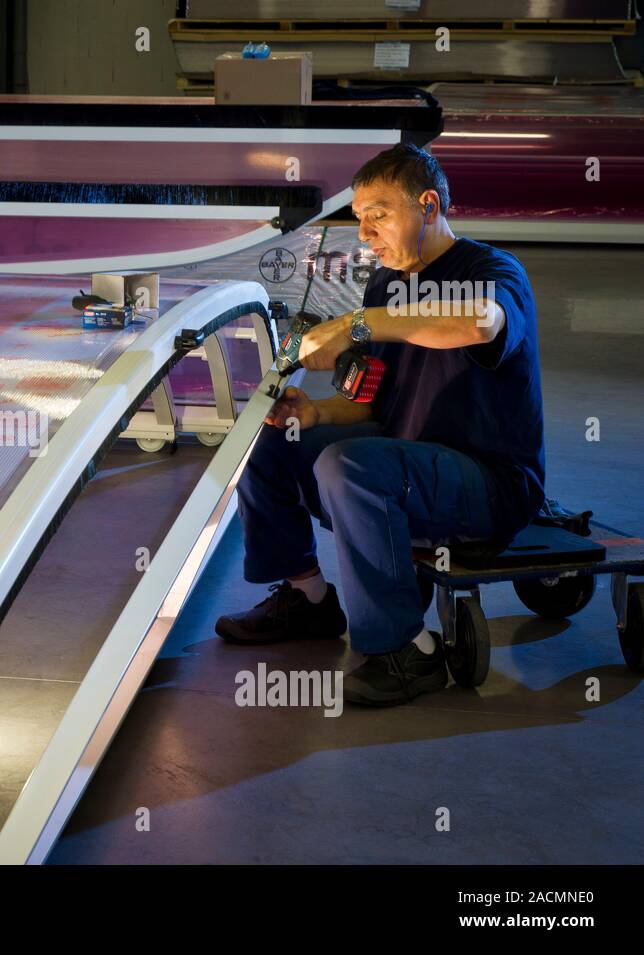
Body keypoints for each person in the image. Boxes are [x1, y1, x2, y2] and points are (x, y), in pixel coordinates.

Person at [215, 143, 545, 707]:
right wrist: (316, 414)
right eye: (359, 218)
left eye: (379, 214)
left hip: (489, 483)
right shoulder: (386, 286)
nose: (365, 233)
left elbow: (481, 324)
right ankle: (309, 600)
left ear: (428, 205)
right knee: (273, 443)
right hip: (404, 460)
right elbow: (372, 408)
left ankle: (405, 649)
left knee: (348, 465)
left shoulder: (491, 271)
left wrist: (358, 324)